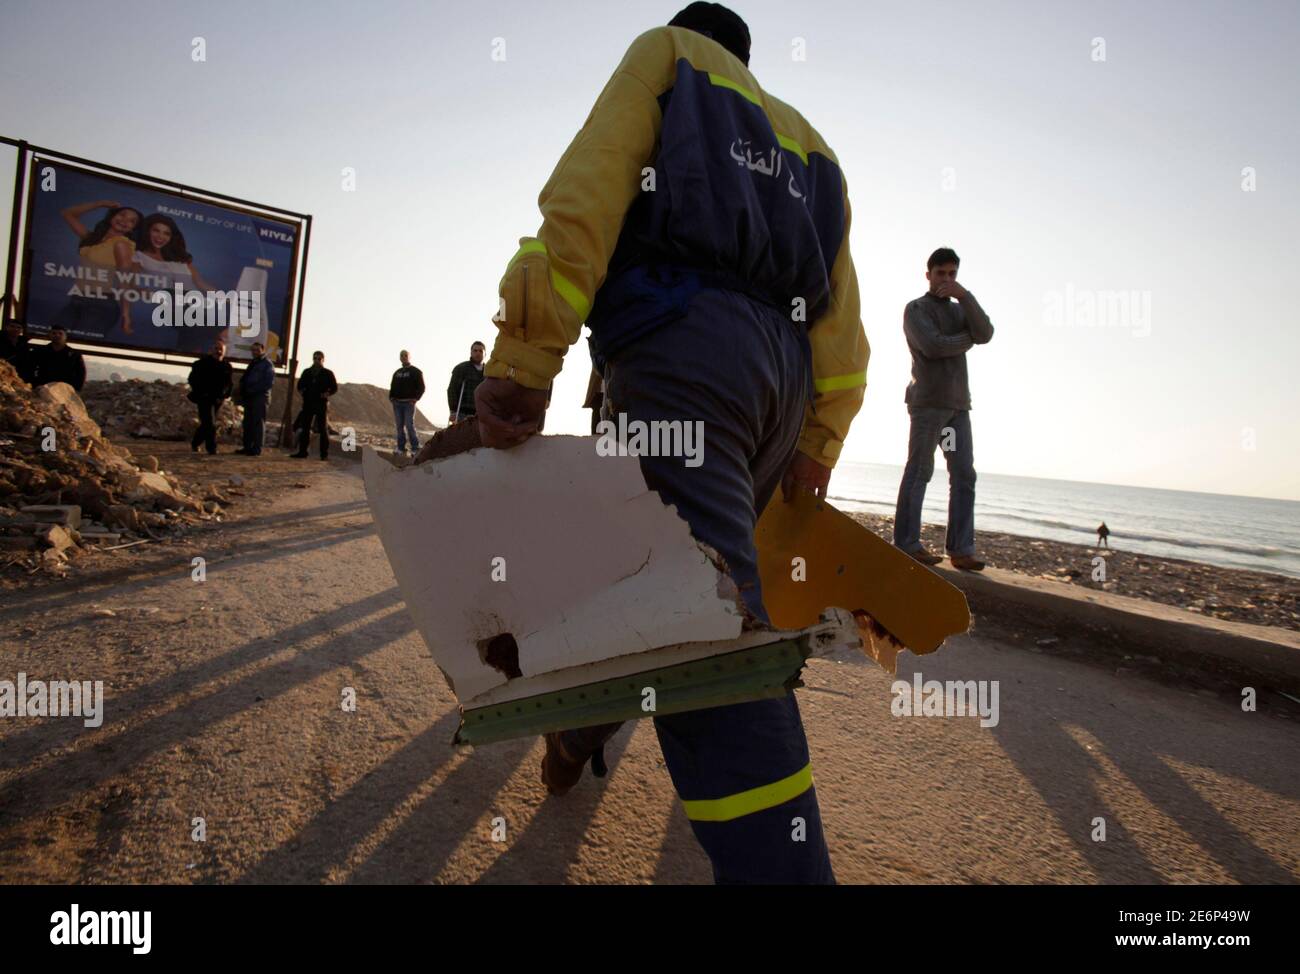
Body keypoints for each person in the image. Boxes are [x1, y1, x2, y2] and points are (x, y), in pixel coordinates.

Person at [469, 4, 867, 884]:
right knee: (648, 582)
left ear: (694, 33)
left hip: (685, 355)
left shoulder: (667, 56)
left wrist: (526, 358)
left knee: (704, 636)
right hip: (779, 387)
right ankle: (575, 738)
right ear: (750, 58)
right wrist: (818, 444)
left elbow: (585, 198)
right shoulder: (813, 145)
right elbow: (843, 320)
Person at [893, 247, 994, 571]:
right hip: (927, 405)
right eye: (941, 274)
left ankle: (961, 550)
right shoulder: (915, 309)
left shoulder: (959, 308)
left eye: (952, 274)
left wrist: (965, 296)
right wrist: (966, 341)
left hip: (957, 408)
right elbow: (933, 346)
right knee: (919, 471)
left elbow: (986, 333)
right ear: (929, 275)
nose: (947, 280)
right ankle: (907, 543)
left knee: (964, 475)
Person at [52, 200, 141, 338]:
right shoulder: (92, 238)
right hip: (76, 299)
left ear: (132, 229)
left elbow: (125, 281)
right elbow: (67, 214)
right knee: (54, 339)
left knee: (78, 342)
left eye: (131, 221)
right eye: (122, 215)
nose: (124, 221)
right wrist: (99, 204)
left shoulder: (122, 244)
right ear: (112, 215)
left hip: (100, 304)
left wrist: (126, 315)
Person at [186, 339, 233, 455]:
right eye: (216, 349)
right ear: (211, 350)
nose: (218, 351)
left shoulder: (227, 366)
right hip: (204, 399)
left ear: (224, 351)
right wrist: (201, 392)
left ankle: (195, 442)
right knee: (210, 423)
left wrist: (225, 395)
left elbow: (229, 383)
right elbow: (192, 380)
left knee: (206, 424)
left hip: (218, 400)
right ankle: (211, 448)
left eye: (220, 349)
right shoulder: (201, 363)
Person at [292, 350, 338, 459]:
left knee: (323, 429)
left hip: (321, 404)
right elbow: (299, 385)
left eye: (319, 358)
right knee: (305, 427)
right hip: (308, 402)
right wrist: (302, 392)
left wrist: (327, 393)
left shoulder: (328, 373)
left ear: (323, 360)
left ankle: (324, 454)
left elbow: (334, 388)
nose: (316, 360)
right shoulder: (307, 372)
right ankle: (302, 452)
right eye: (315, 358)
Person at [236, 341, 275, 456]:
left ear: (263, 350)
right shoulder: (253, 363)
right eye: (253, 350)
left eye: (257, 350)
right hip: (249, 398)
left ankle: (257, 448)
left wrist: (252, 390)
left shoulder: (267, 364)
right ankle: (247, 447)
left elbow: (268, 383)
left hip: (260, 397)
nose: (255, 352)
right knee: (247, 423)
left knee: (258, 423)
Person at [388, 350, 426, 455]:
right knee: (399, 426)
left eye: (406, 355)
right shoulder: (397, 373)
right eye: (402, 355)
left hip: (409, 403)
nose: (404, 357)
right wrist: (391, 397)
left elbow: (422, 387)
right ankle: (401, 447)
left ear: (409, 357)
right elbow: (392, 386)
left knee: (409, 424)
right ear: (399, 358)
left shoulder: (416, 372)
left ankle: (415, 447)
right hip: (397, 403)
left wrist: (415, 399)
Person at [31, 326, 87, 391]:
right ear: (50, 335)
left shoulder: (74, 354)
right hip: (43, 387)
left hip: (65, 389)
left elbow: (81, 373)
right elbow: (31, 368)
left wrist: (76, 389)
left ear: (65, 336)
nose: (57, 335)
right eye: (54, 333)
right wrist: (35, 385)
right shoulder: (40, 351)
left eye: (60, 333)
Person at [446, 341, 485, 423]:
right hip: (462, 412)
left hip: (481, 413)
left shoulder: (489, 371)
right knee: (462, 435)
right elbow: (452, 390)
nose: (478, 353)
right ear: (471, 352)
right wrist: (453, 411)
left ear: (485, 354)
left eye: (481, 351)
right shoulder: (461, 368)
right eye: (475, 351)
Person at [0, 319, 35, 384]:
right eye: (12, 326)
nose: (15, 329)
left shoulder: (23, 343)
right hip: (3, 377)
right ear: (7, 327)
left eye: (18, 327)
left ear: (21, 330)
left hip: (19, 378)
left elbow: (27, 362)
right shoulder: (1, 341)